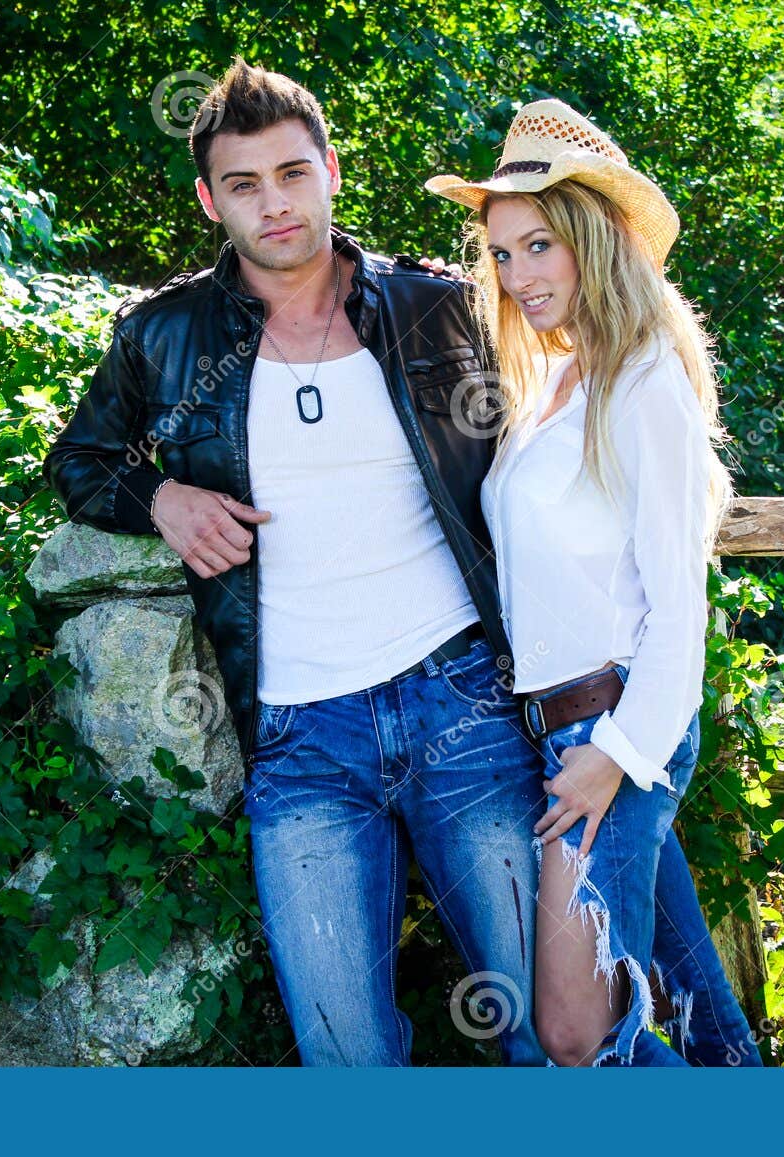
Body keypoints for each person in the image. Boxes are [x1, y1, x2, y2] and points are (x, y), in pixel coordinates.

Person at [44, 58, 551, 1066]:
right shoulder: (163, 336)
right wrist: (164, 495)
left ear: (329, 170)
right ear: (208, 200)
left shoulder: (433, 308)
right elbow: (77, 460)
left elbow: (548, 434)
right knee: (345, 1059)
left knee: (550, 1025)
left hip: (464, 705)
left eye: (290, 174)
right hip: (299, 740)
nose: (272, 204)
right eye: (243, 185)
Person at [426, 98, 763, 1067]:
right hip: (558, 730)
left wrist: (613, 753)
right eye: (500, 253)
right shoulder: (558, 381)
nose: (516, 275)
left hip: (613, 726)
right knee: (689, 999)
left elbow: (677, 606)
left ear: (592, 235)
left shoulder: (643, 381)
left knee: (573, 1028)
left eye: (537, 245)